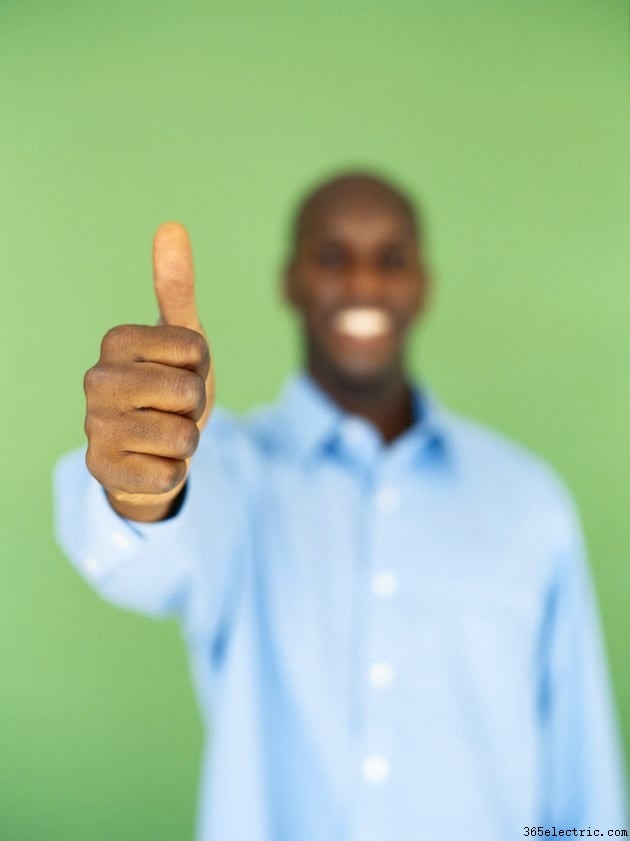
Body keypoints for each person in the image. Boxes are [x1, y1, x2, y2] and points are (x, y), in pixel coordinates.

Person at [54, 172, 627, 840]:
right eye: (331, 256)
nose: (362, 282)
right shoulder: (230, 472)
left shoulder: (530, 502)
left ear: (423, 286)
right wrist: (139, 484)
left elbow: (583, 775)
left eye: (392, 258)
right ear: (290, 280)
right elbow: (143, 559)